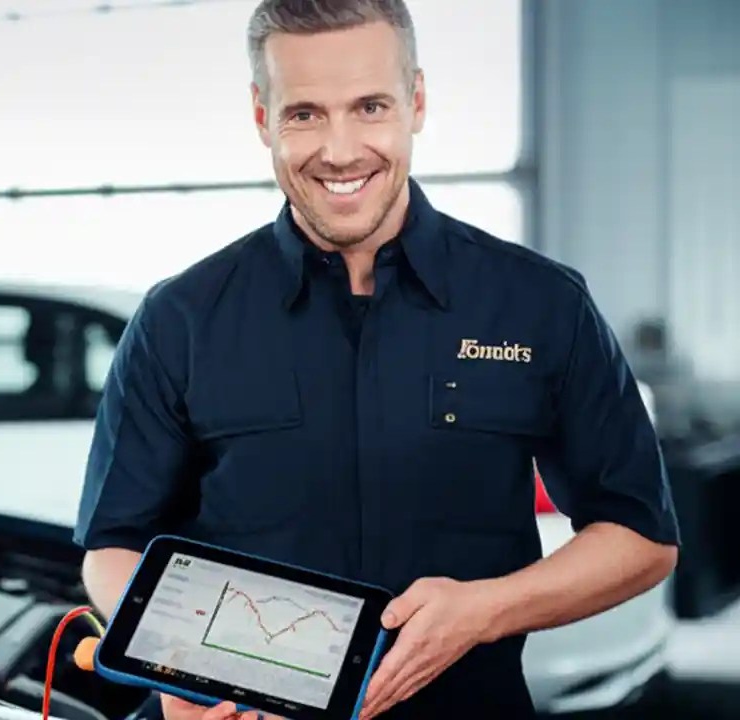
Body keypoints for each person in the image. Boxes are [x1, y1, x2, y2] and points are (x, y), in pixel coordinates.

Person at [71, 1, 681, 718]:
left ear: (416, 102)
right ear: (262, 116)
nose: (339, 149)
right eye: (304, 114)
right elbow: (111, 548)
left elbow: (642, 539)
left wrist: (486, 610)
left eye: (369, 106)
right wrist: (182, 670)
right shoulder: (179, 318)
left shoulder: (540, 304)